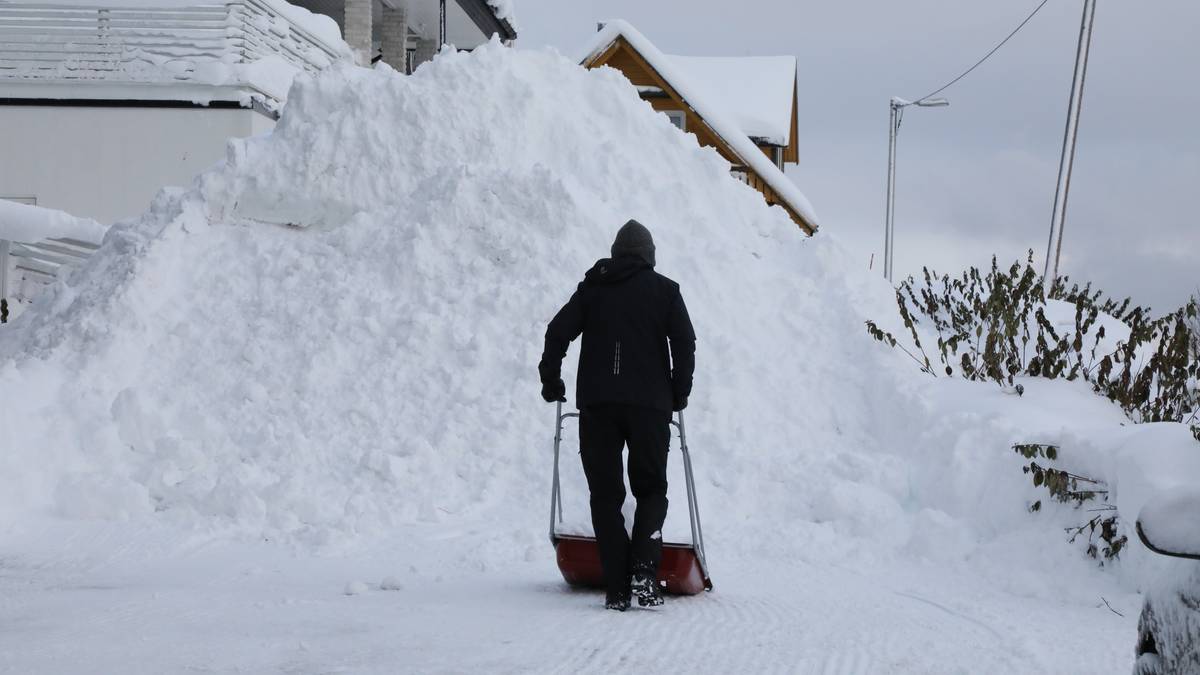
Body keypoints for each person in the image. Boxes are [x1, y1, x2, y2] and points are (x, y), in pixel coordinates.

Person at [538, 219, 696, 611]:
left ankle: (618, 588)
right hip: (650, 408)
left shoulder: (592, 288)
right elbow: (685, 343)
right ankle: (644, 571)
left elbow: (557, 332)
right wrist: (679, 392)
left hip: (598, 406)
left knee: (605, 496)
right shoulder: (665, 291)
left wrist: (550, 380)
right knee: (651, 490)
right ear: (649, 256)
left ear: (615, 253)